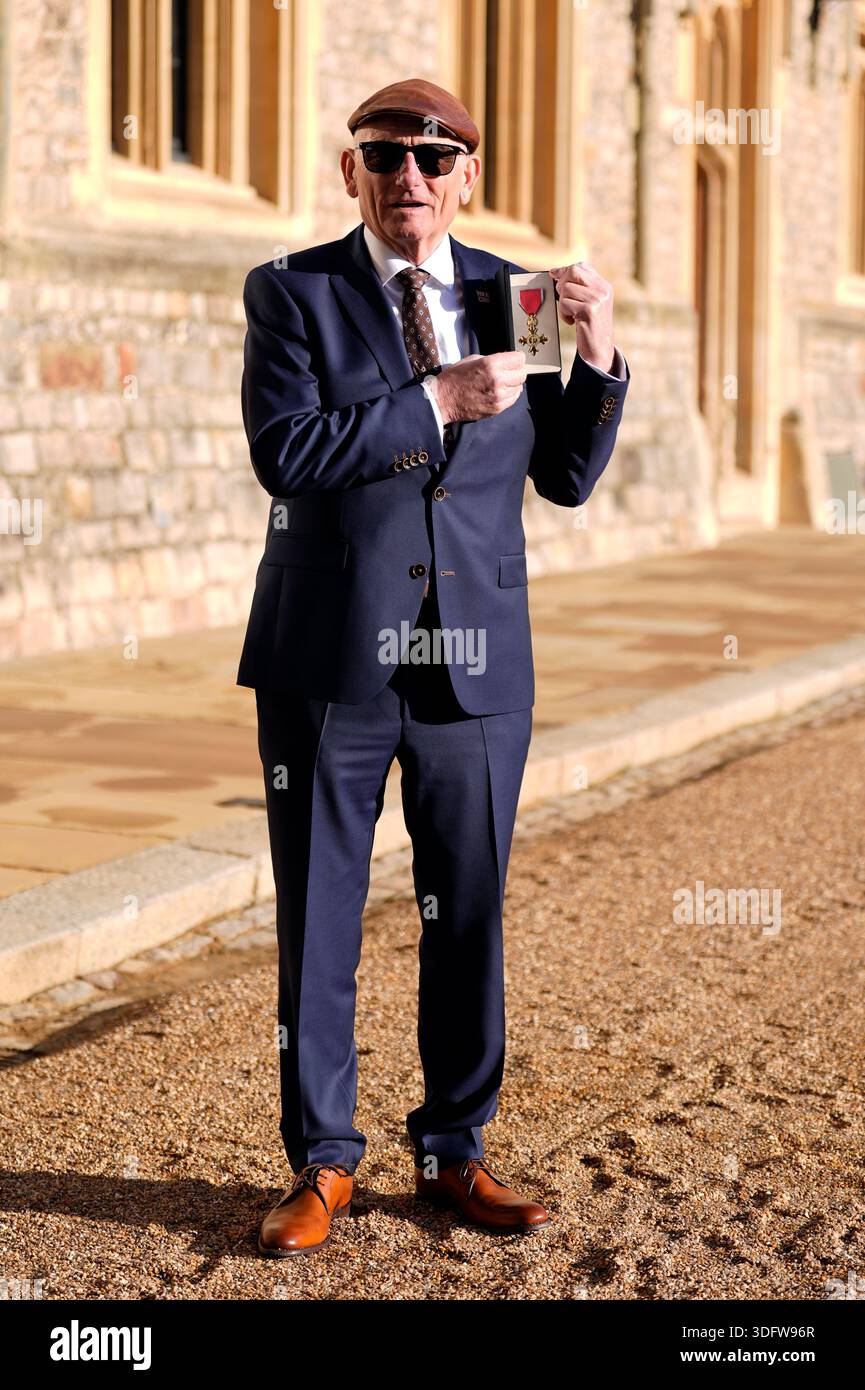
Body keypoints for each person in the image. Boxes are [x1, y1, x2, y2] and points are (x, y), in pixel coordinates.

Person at [238, 78, 630, 1257]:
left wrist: (601, 357)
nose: (407, 172)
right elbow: (286, 452)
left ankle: (456, 1148)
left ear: (469, 174)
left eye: (431, 154)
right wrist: (435, 399)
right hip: (327, 657)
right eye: (383, 153)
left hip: (474, 663)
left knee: (466, 909)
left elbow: (560, 475)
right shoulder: (292, 290)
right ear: (349, 171)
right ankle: (322, 1164)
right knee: (320, 915)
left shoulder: (508, 296)